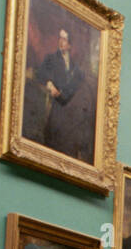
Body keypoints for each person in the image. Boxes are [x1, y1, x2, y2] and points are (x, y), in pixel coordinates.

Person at [26, 25, 87, 160]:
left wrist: (64, 94)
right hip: (53, 104)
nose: (61, 41)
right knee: (51, 133)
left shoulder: (75, 67)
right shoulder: (51, 58)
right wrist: (50, 85)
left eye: (64, 39)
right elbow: (40, 73)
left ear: (70, 44)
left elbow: (76, 84)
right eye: (60, 38)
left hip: (67, 107)